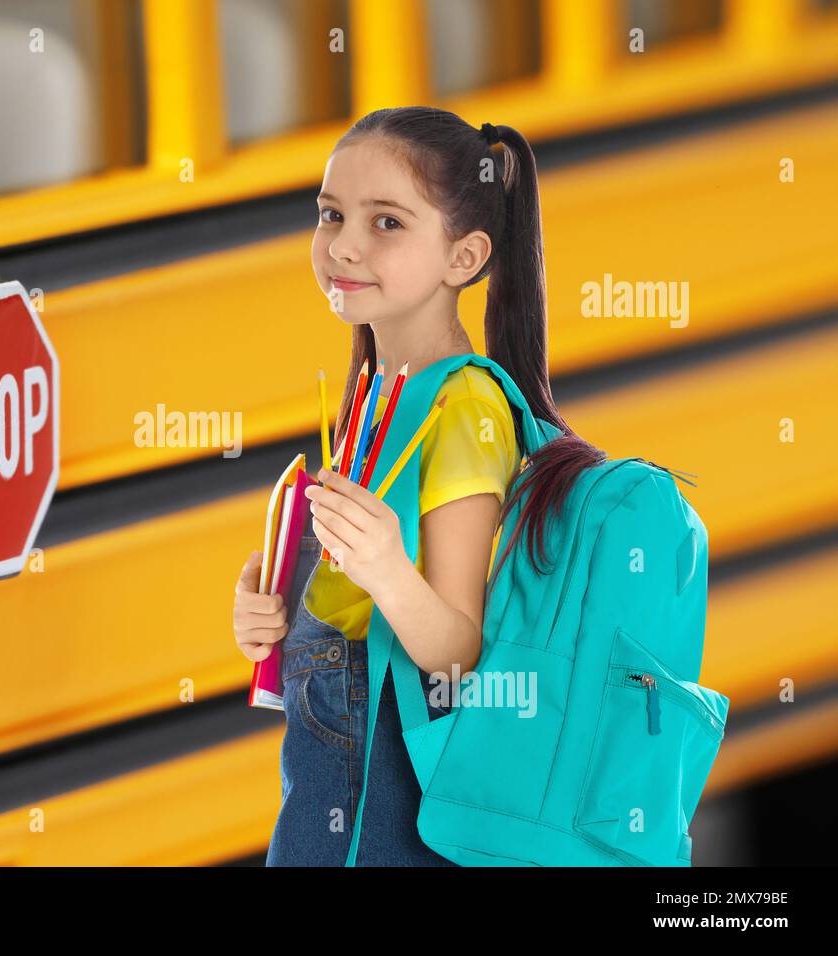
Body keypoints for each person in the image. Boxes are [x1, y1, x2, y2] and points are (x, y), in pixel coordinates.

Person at [232, 108, 603, 866]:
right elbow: (346, 600)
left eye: (388, 224)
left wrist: (384, 569)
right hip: (330, 768)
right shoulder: (377, 394)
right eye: (331, 214)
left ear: (464, 257)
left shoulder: (461, 405)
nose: (343, 245)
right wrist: (274, 610)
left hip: (386, 780)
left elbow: (459, 652)